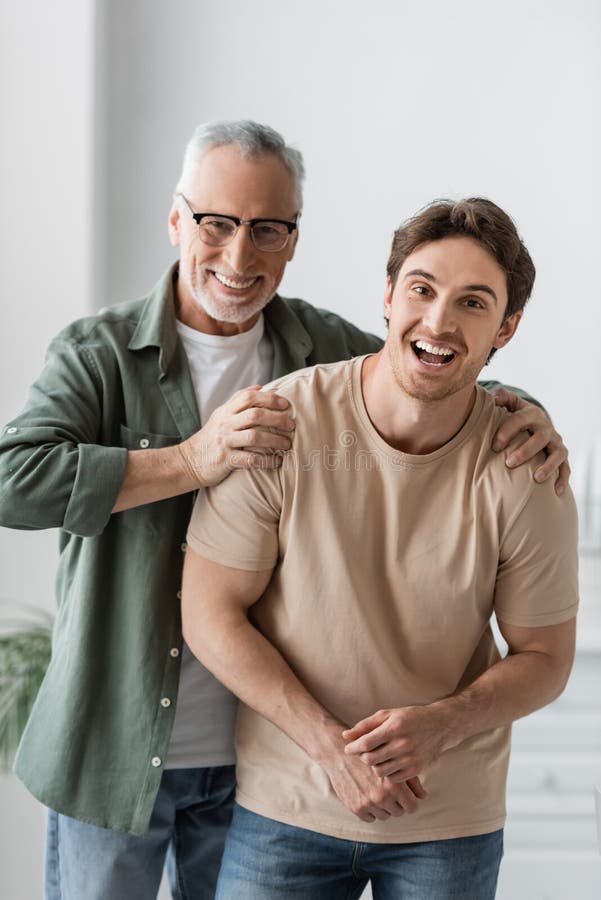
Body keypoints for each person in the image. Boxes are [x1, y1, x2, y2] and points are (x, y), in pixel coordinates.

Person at [0, 119, 566, 900]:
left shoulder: (317, 346)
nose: (240, 257)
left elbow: (430, 362)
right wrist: (190, 460)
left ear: (293, 238)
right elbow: (13, 480)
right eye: (216, 224)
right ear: (175, 220)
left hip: (251, 761)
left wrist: (528, 410)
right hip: (116, 744)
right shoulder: (98, 353)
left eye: (267, 229)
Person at [181, 197, 578, 900]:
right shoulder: (280, 425)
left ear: (505, 328)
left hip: (447, 821)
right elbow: (209, 614)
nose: (438, 322)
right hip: (287, 806)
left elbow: (545, 659)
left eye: (473, 303)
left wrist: (444, 724)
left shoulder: (525, 465)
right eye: (422, 289)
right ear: (389, 296)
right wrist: (331, 750)